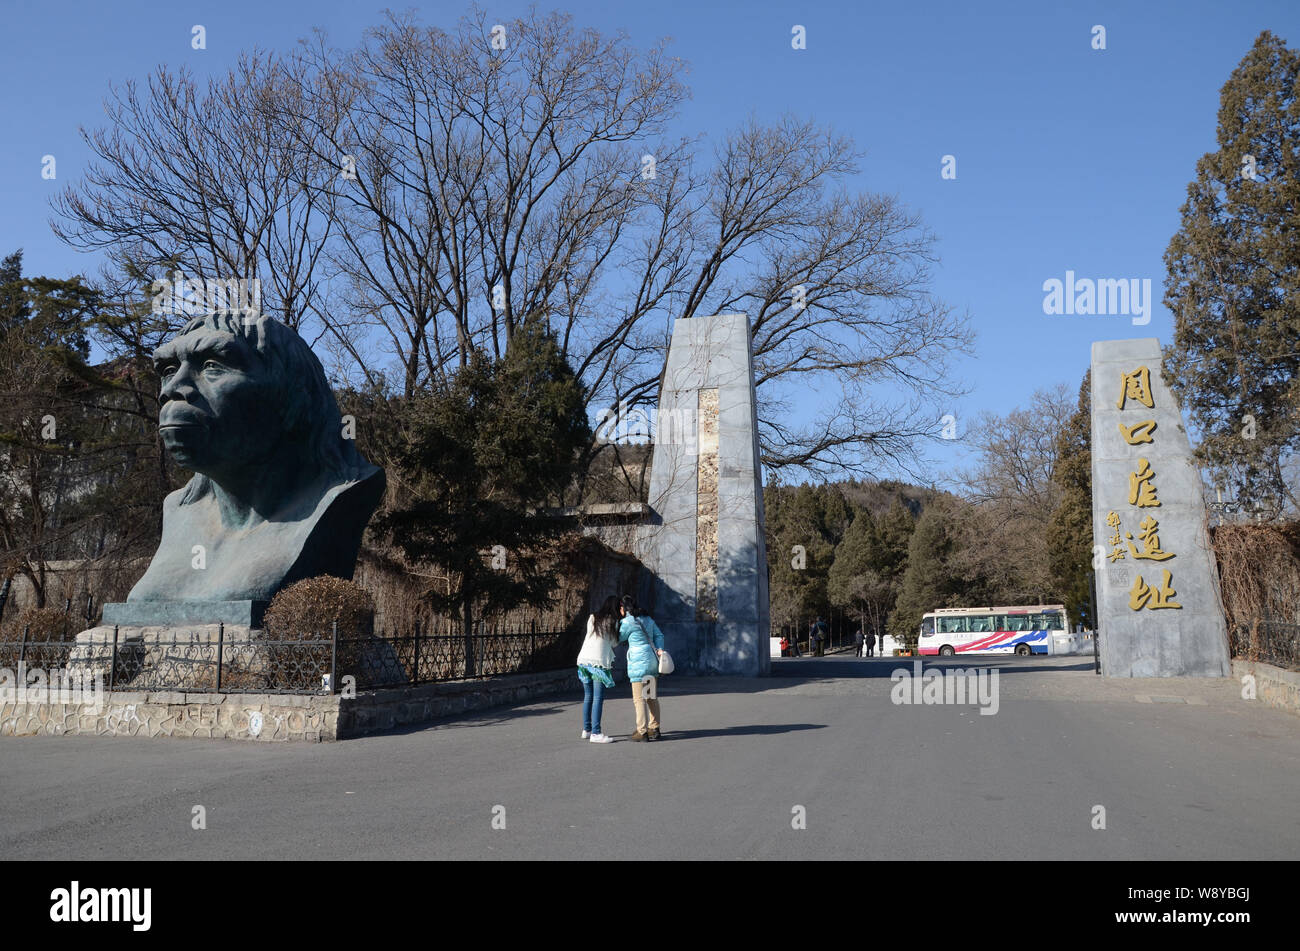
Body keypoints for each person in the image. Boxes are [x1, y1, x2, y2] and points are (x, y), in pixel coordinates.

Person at [618, 595, 665, 741]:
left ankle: (642, 731)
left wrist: (618, 622)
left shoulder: (627, 622)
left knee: (639, 699)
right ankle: (654, 728)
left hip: (638, 664)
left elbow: (619, 638)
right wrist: (659, 649)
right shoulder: (648, 619)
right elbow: (659, 635)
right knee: (651, 697)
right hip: (651, 662)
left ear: (624, 608)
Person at [576, 596, 619, 743]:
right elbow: (614, 643)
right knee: (597, 698)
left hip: (583, 660)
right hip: (598, 662)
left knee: (588, 696)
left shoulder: (593, 617)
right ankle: (596, 733)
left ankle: (586, 730)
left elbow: (589, 635)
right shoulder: (613, 622)